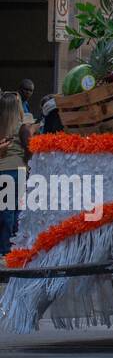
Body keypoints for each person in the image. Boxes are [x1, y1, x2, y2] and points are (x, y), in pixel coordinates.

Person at [0, 91, 33, 254]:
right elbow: (31, 148)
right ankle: (11, 248)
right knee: (16, 211)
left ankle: (4, 247)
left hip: (2, 172)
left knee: (4, 211)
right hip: (18, 171)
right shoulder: (22, 128)